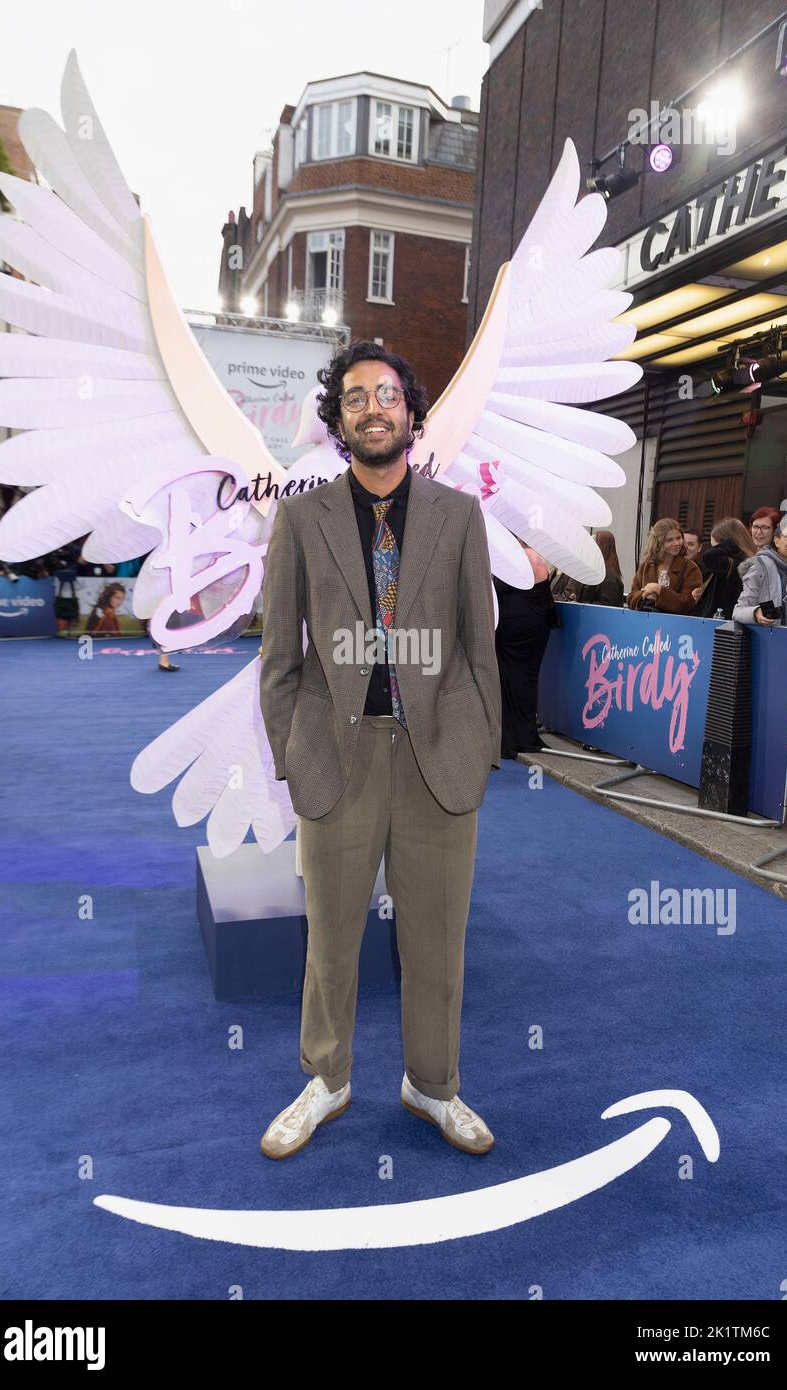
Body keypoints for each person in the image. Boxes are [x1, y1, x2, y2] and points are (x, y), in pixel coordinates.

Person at [258, 341, 501, 1160]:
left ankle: (433, 1086)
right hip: (340, 756)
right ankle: (325, 1080)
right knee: (329, 941)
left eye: (387, 395)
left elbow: (478, 646)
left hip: (438, 763)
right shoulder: (300, 519)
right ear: (338, 418)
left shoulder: (460, 517)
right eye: (356, 397)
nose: (373, 408)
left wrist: (479, 742)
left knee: (437, 941)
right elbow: (279, 655)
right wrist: (294, 752)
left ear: (410, 413)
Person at [494, 539, 557, 758]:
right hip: (537, 627)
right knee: (527, 680)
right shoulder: (539, 557)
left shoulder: (516, 558)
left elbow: (497, 590)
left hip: (514, 629)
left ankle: (512, 738)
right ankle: (525, 734)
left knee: (510, 680)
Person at [734, 513, 787, 627]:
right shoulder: (761, 568)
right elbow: (738, 611)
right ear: (777, 540)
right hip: (783, 640)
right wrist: (756, 613)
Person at [626, 518, 702, 614]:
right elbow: (630, 597)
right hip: (646, 623)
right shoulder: (646, 566)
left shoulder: (691, 568)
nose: (676, 543)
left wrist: (659, 590)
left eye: (678, 538)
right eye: (669, 540)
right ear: (658, 542)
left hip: (675, 626)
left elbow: (688, 603)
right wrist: (645, 595)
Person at [693, 518, 756, 619]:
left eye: (716, 547)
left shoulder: (735, 565)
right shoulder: (732, 563)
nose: (713, 549)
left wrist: (731, 543)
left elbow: (709, 556)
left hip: (725, 622)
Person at [552, 529, 624, 606]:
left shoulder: (609, 575)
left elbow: (607, 606)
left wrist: (581, 604)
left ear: (602, 547)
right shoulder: (592, 571)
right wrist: (575, 599)